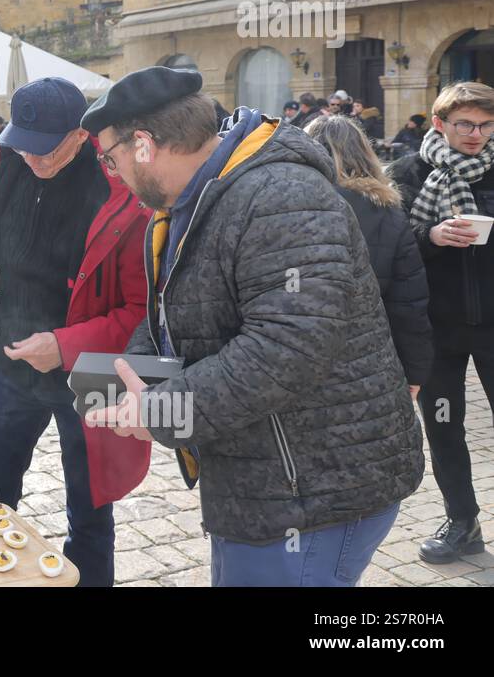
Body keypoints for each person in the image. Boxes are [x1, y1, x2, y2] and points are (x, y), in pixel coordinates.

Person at [82, 66, 423, 587]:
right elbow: (171, 312)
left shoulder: (278, 194)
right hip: (265, 480)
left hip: (313, 491)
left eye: (110, 157)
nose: (111, 171)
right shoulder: (195, 197)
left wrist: (162, 408)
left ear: (144, 144)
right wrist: (133, 374)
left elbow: (288, 346)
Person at [0, 78, 152, 587]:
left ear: (81, 137)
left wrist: (63, 345)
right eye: (24, 144)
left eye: (47, 148)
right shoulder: (5, 160)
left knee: (90, 513)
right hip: (10, 360)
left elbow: (141, 312)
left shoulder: (122, 196)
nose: (32, 158)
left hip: (91, 373)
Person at [388, 81, 494, 564]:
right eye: (466, 124)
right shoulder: (407, 171)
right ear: (439, 124)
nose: (477, 134)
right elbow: (392, 244)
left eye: (486, 124)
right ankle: (462, 522)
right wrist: (430, 234)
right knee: (445, 426)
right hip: (437, 329)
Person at [305, 115, 432, 392]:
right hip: (369, 358)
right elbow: (408, 303)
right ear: (365, 154)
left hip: (298, 353)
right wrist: (415, 371)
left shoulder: (286, 205)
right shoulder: (387, 212)